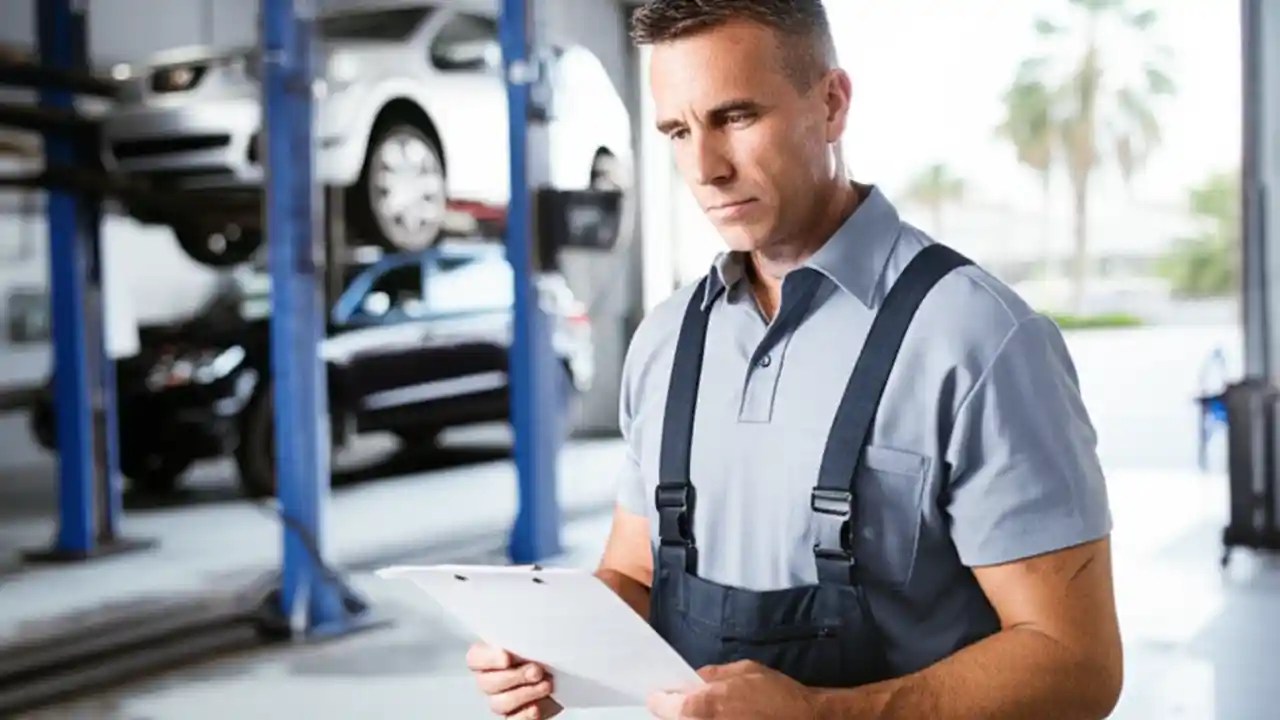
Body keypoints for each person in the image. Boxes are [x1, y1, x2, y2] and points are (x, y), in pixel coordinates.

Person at [467, 1, 1123, 718]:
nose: (707, 168)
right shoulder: (665, 340)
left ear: (833, 104)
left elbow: (1075, 661)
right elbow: (634, 572)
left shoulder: (977, 338)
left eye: (736, 117)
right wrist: (551, 653)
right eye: (678, 131)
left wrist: (822, 715)